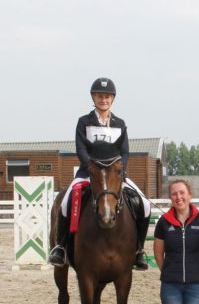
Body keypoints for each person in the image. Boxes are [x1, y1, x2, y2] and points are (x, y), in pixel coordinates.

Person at [49, 77, 150, 270]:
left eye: (107, 96)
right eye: (99, 96)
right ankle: (60, 247)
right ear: (93, 97)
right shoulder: (84, 122)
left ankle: (139, 250)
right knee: (64, 202)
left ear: (112, 98)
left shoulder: (120, 124)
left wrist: (120, 172)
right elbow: (80, 149)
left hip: (115, 176)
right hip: (88, 173)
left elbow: (125, 151)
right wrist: (93, 169)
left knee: (143, 204)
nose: (103, 99)